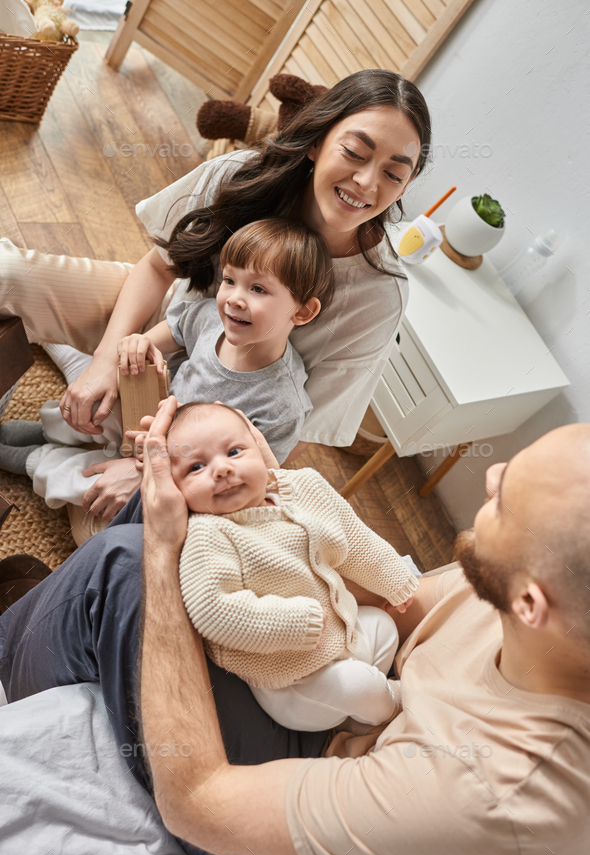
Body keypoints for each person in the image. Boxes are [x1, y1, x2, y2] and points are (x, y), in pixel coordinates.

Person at [2, 405, 590, 855]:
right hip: (347, 680)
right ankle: (52, 609)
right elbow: (400, 596)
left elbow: (200, 802)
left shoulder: (498, 792)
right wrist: (272, 500)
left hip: (284, 831)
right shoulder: (536, 607)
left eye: (505, 499)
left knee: (126, 564)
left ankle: (22, 647)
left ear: (530, 605)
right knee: (174, 506)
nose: (491, 473)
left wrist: (162, 550)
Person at [0, 69, 431, 528]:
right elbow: (157, 265)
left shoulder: (379, 295)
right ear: (316, 141)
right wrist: (108, 360)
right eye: (354, 152)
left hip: (201, 429)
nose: (366, 182)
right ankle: (82, 368)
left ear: (405, 186)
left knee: (117, 543)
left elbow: (294, 434)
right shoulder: (239, 175)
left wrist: (156, 470)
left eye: (392, 173)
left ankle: (73, 398)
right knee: (8, 274)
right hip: (159, 324)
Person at [0, 217, 334, 509]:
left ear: (302, 311)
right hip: (151, 416)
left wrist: (148, 471)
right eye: (230, 281)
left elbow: (257, 477)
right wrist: (140, 343)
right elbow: (174, 330)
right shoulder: (212, 320)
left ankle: (32, 460)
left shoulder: (281, 405)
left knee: (83, 481)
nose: (233, 298)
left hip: (181, 469)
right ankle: (48, 431)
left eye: (258, 288)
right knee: (98, 403)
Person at [167, 398, 417, 731]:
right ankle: (387, 708)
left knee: (383, 625)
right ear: (176, 488)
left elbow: (354, 537)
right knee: (359, 686)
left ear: (259, 447)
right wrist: (296, 624)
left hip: (345, 634)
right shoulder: (210, 534)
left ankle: (355, 716)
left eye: (234, 452)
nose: (222, 470)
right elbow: (214, 611)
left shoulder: (305, 487)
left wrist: (394, 579)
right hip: (293, 682)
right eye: (195, 467)